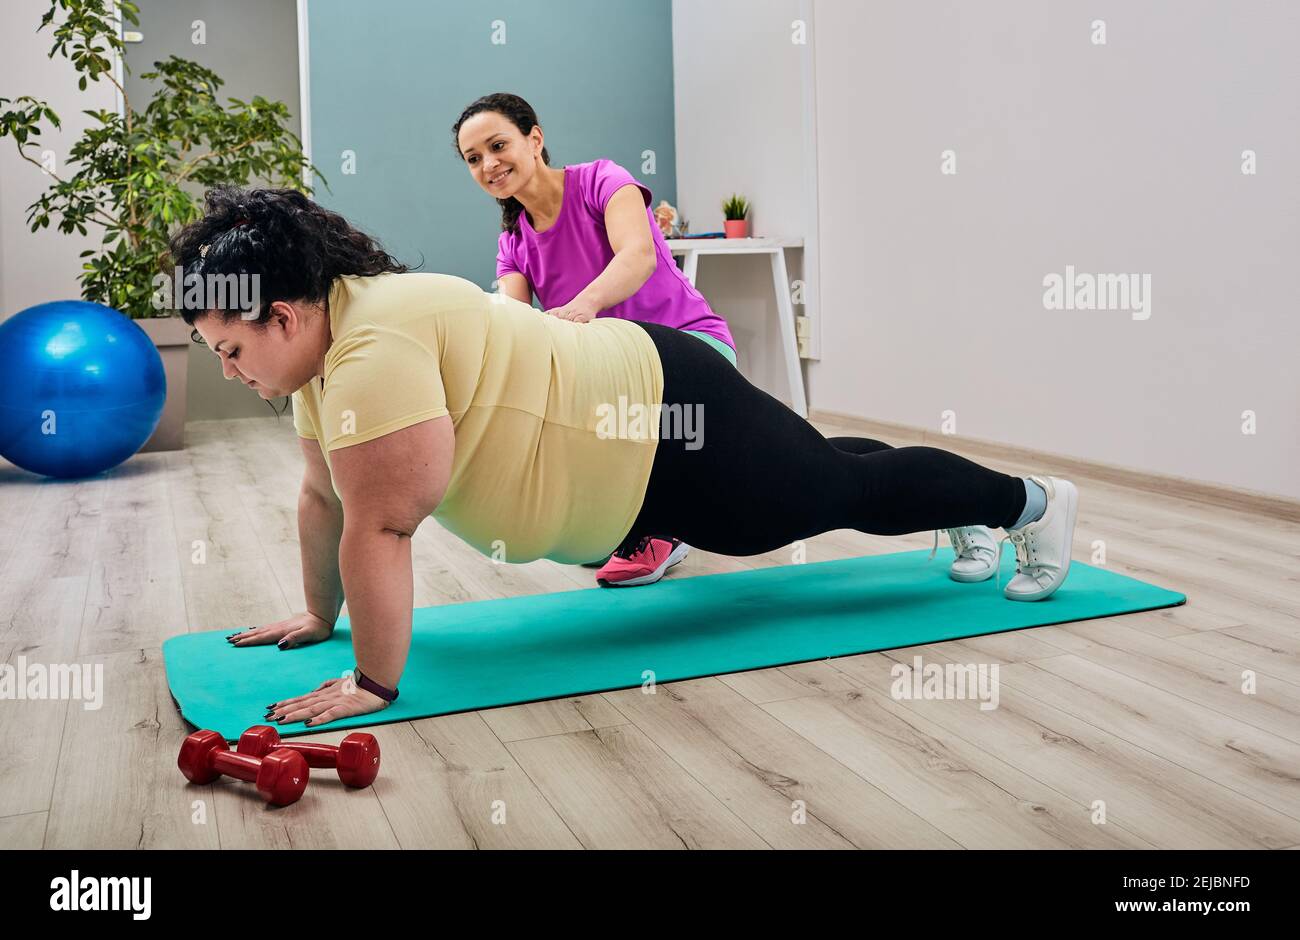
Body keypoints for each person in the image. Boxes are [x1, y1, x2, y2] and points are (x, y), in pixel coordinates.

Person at [171, 186, 1078, 730]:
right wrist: (319, 619)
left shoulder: (373, 347)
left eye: (231, 349)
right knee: (826, 472)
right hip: (630, 455)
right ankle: (955, 498)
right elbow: (321, 498)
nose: (230, 370)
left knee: (830, 493)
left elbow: (383, 520)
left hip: (657, 418)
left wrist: (371, 681)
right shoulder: (326, 351)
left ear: (282, 315)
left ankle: (1031, 503)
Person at [454, 92, 736, 588]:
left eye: (498, 146)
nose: (489, 164)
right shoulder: (513, 242)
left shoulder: (602, 180)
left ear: (534, 139)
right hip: (616, 370)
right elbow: (515, 322)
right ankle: (631, 523)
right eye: (474, 159)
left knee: (656, 433)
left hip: (691, 349)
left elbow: (638, 256)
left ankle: (667, 527)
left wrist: (585, 304)